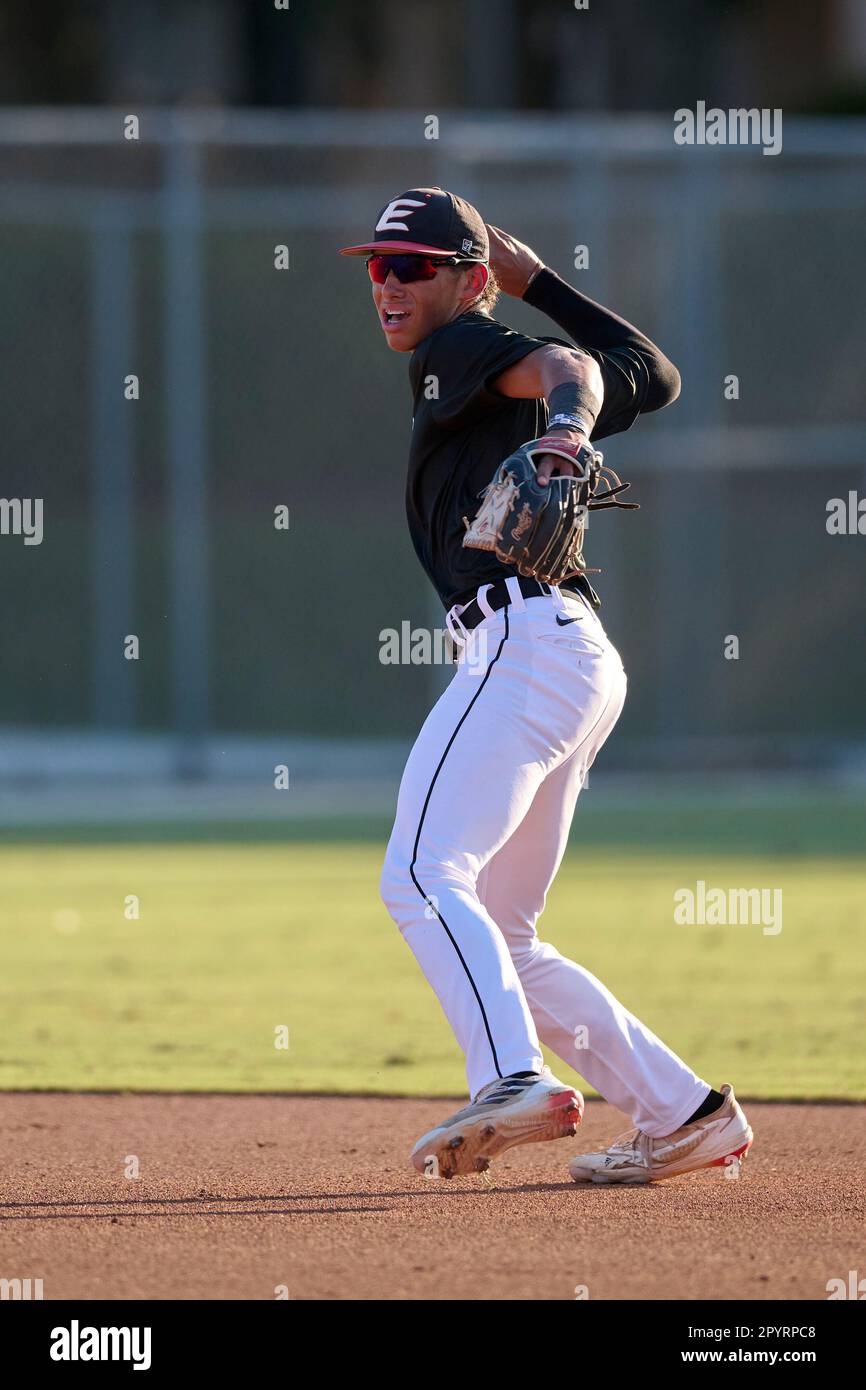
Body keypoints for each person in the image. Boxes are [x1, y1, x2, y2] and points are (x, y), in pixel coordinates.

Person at [340, 188, 753, 1184]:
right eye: (378, 266)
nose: (388, 283)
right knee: (503, 930)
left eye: (413, 266)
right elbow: (650, 375)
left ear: (467, 280)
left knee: (419, 875)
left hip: (522, 647)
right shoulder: (481, 365)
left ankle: (511, 1077)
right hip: (567, 654)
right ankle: (684, 1113)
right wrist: (545, 285)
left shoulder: (456, 348)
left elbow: (574, 371)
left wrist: (566, 428)